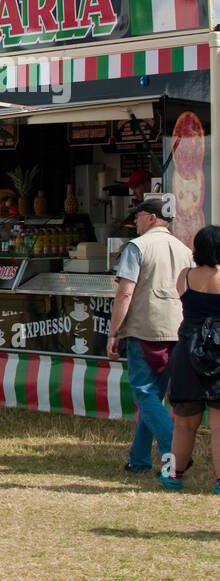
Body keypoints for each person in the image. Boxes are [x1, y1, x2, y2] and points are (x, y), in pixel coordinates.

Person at [107, 198, 192, 473]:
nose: (136, 221)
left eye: (139, 216)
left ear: (152, 218)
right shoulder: (184, 249)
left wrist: (114, 331)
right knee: (154, 395)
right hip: (176, 330)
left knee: (144, 394)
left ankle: (176, 450)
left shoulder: (137, 247)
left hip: (144, 329)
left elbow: (125, 292)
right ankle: (139, 460)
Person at [162, 225, 220, 493]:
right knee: (219, 426)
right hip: (218, 353)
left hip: (188, 350)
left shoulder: (185, 276)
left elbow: (182, 298)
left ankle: (172, 476)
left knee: (184, 424)